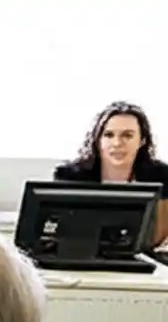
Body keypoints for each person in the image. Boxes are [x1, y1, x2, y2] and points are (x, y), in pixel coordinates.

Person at [55, 100, 168, 248]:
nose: (116, 143)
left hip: (144, 259)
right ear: (98, 140)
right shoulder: (70, 176)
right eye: (108, 135)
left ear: (142, 141)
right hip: (82, 255)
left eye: (127, 135)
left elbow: (159, 235)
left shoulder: (162, 176)